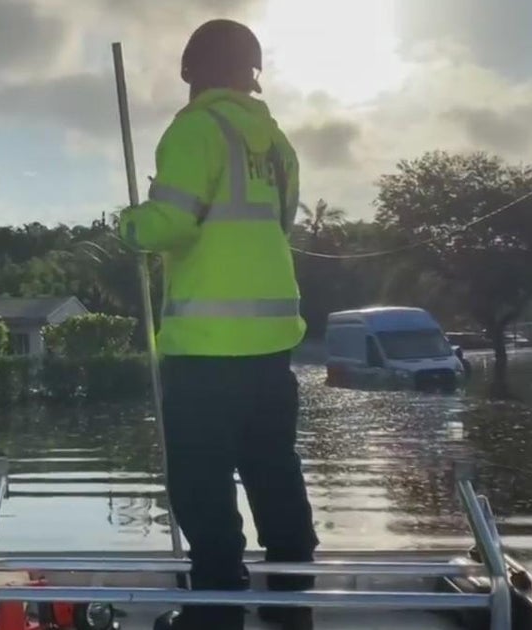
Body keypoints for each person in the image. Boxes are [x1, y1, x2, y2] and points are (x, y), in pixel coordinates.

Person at [116, 18, 319, 630]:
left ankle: (215, 608)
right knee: (274, 467)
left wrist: (131, 225)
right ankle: (292, 601)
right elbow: (279, 227)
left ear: (190, 73)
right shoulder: (277, 144)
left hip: (205, 348)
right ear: (251, 74)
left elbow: (170, 225)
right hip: (271, 346)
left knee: (201, 480)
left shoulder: (195, 130)